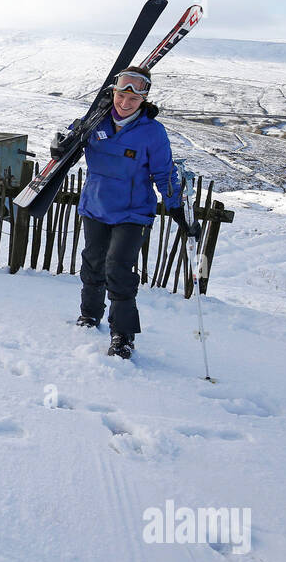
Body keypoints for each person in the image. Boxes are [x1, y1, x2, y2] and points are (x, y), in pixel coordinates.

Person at [67, 66, 198, 359]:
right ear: (113, 92)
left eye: (133, 99)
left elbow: (164, 173)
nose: (125, 103)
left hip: (132, 213)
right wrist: (60, 145)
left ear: (144, 99)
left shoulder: (152, 132)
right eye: (121, 95)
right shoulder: (95, 122)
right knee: (93, 263)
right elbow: (69, 146)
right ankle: (89, 315)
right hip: (96, 205)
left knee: (118, 269)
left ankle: (122, 335)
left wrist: (176, 207)